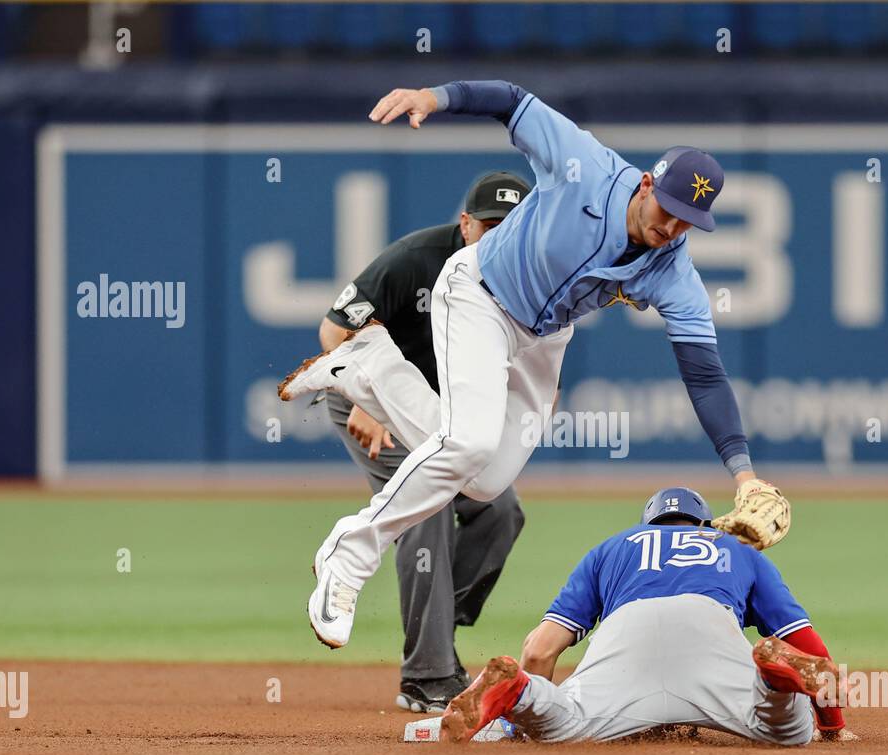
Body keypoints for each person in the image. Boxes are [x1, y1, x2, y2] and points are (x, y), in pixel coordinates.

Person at [279, 80, 791, 650]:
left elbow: (704, 373)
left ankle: (368, 363)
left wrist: (744, 474)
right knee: (468, 445)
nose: (670, 228)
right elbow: (511, 100)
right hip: (479, 294)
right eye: (667, 210)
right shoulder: (584, 165)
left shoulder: (673, 273)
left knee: (485, 481)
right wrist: (435, 98)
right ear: (647, 184)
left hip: (544, 337)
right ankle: (348, 556)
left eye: (687, 221)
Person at [318, 170, 533, 712]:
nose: (499, 236)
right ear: (465, 224)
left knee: (500, 510)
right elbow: (333, 332)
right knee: (426, 511)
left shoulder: (526, 277)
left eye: (512, 227)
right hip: (375, 401)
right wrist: (367, 403)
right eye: (488, 226)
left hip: (444, 416)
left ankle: (437, 620)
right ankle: (427, 676)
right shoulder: (414, 259)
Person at [440, 487, 850, 745]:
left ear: (645, 525)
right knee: (785, 729)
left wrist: (520, 726)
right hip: (709, 629)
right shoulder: (736, 547)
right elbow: (808, 645)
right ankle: (773, 683)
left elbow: (540, 649)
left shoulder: (612, 547)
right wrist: (832, 725)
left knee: (563, 722)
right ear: (702, 522)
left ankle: (520, 694)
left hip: (626, 634)